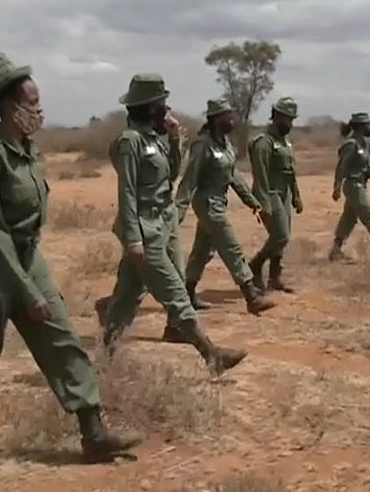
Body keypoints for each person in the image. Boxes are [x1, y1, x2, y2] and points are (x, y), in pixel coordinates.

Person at [0, 52, 138, 464]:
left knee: (63, 343)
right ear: (11, 107)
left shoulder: (30, 153)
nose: (39, 110)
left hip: (28, 261)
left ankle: (94, 434)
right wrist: (24, 290)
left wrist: (30, 281)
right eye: (32, 101)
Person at [100, 74, 247, 376]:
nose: (167, 111)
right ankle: (211, 354)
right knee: (175, 292)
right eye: (161, 105)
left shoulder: (154, 139)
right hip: (145, 230)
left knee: (128, 294)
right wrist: (133, 238)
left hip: (161, 224)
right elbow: (127, 192)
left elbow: (170, 176)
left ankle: (106, 356)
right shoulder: (130, 142)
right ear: (148, 108)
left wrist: (175, 141)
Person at [175, 99, 276, 314]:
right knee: (231, 247)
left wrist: (252, 202)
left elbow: (234, 176)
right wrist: (179, 210)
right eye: (227, 116)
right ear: (215, 119)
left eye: (231, 116)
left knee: (203, 251)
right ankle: (251, 296)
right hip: (207, 204)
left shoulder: (225, 143)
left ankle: (187, 293)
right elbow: (190, 179)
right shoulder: (203, 145)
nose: (232, 120)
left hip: (219, 202)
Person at [247, 97, 303, 293]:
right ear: (276, 116)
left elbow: (291, 171)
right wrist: (263, 202)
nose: (290, 123)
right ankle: (255, 265)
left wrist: (296, 195)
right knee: (280, 235)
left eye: (292, 119)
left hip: (284, 193)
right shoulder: (263, 142)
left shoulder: (285, 142)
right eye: (287, 118)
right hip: (269, 192)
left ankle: (274, 277)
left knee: (283, 237)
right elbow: (260, 174)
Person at [329, 112, 370, 263]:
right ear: (361, 127)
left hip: (360, 185)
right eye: (369, 125)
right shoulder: (351, 144)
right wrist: (337, 187)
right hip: (354, 186)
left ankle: (336, 250)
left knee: (349, 219)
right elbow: (341, 166)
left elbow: (364, 155)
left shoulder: (362, 143)